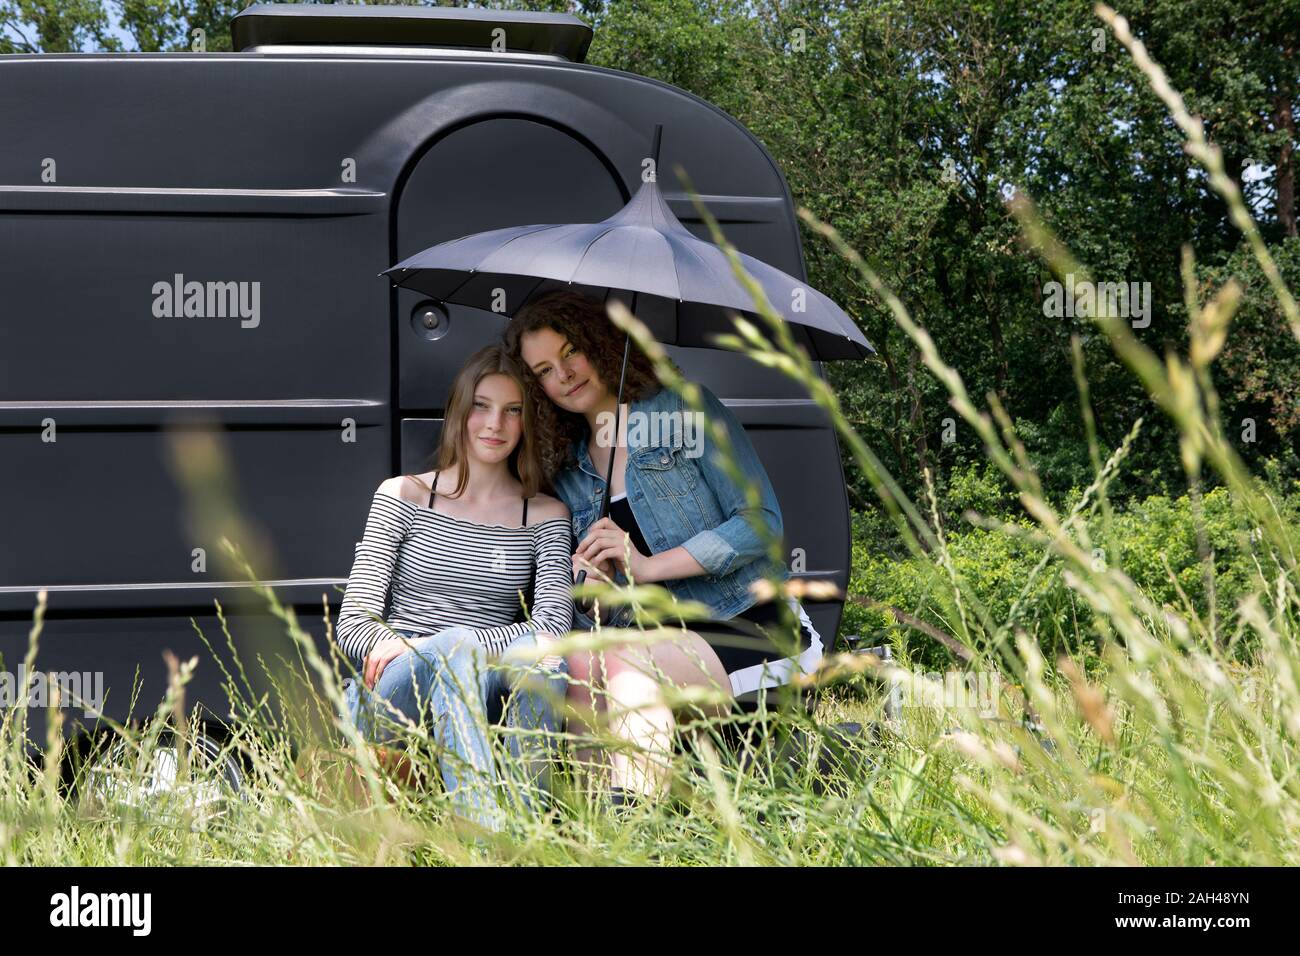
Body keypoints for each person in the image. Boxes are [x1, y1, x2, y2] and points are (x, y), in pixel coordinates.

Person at [503, 289, 824, 804]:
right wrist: (591, 583)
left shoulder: (685, 411)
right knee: (583, 664)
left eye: (570, 353)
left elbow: (760, 522)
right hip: (655, 641)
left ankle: (632, 829)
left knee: (626, 665)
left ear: (601, 344)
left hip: (746, 621)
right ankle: (595, 834)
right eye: (543, 370)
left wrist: (646, 567)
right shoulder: (570, 469)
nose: (563, 375)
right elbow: (593, 604)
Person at [334, 345, 573, 831]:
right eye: (482, 406)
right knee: (455, 647)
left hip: (480, 688)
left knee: (544, 660)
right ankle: (486, 840)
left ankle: (529, 836)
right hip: (390, 695)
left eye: (512, 411)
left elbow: (551, 627)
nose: (495, 425)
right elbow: (353, 624)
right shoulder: (403, 494)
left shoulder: (545, 515)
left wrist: (446, 643)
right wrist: (417, 647)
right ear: (460, 412)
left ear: (527, 423)